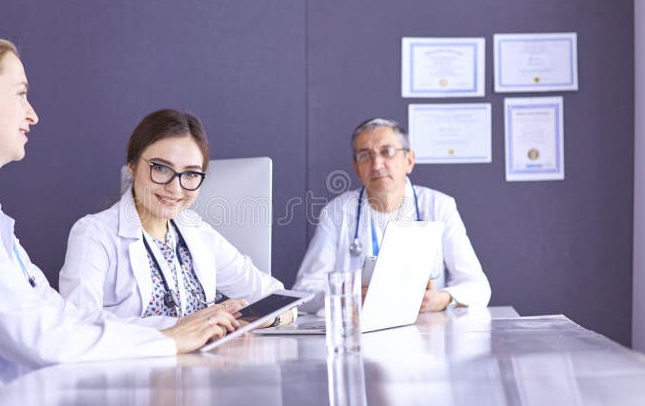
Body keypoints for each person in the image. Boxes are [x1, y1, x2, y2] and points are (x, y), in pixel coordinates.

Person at [0, 34, 239, 406]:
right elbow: (41, 338)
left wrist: (175, 328)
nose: (32, 114)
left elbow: (60, 316)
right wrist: (166, 341)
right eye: (20, 94)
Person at [59, 109, 293, 328]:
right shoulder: (93, 233)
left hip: (207, 368)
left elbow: (281, 299)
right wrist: (188, 324)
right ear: (132, 166)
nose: (175, 187)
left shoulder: (196, 232)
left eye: (190, 174)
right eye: (161, 168)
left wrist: (258, 319)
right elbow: (77, 327)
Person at [293, 117, 491, 313]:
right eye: (365, 155)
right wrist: (348, 295)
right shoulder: (337, 211)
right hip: (360, 332)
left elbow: (478, 287)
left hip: (425, 332)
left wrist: (443, 298)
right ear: (356, 168)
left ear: (409, 161)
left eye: (387, 152)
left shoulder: (439, 206)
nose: (377, 164)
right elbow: (304, 291)